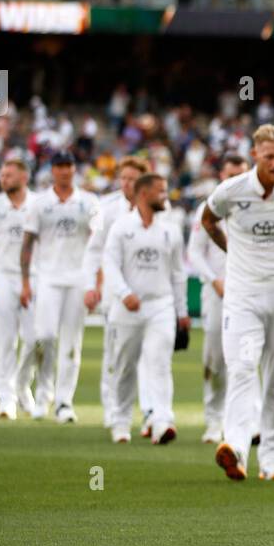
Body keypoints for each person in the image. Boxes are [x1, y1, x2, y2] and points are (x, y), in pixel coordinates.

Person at [202, 126, 274, 481]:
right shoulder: (232, 190)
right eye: (270, 156)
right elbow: (207, 220)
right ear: (255, 154)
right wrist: (233, 252)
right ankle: (237, 448)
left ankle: (272, 459)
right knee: (243, 366)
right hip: (243, 294)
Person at [100, 173, 188, 445]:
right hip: (127, 309)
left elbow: (178, 274)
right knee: (125, 366)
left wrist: (182, 311)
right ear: (143, 194)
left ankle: (162, 420)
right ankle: (121, 420)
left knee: (160, 363)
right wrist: (124, 294)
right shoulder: (121, 227)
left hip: (160, 306)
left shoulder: (170, 230)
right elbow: (110, 264)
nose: (165, 196)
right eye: (160, 192)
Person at [21, 152, 101, 422]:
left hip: (78, 280)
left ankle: (64, 402)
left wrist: (95, 284)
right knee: (45, 337)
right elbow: (27, 244)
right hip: (48, 278)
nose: (64, 171)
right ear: (52, 170)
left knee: (71, 343)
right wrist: (24, 281)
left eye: (68, 166)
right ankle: (43, 395)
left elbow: (97, 245)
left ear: (74, 169)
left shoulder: (88, 202)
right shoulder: (40, 203)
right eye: (59, 167)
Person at [82, 157, 158, 434]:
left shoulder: (159, 207)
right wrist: (90, 285)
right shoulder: (106, 208)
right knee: (116, 354)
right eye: (122, 178)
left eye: (131, 178)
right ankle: (113, 410)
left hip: (149, 293)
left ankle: (150, 413)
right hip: (114, 294)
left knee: (151, 355)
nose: (126, 183)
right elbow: (94, 250)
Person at [185, 153, 249, 444]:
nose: (235, 180)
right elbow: (194, 252)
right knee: (214, 355)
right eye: (230, 174)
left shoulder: (254, 207)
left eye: (241, 174)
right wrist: (214, 280)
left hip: (249, 292)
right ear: (221, 175)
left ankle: (246, 423)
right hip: (217, 292)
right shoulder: (208, 209)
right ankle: (213, 420)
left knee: (246, 358)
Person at [0, 158, 39, 420]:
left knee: (36, 340)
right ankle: (6, 399)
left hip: (34, 276)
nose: (3, 179)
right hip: (2, 276)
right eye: (2, 175)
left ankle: (23, 385)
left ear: (24, 177)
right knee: (6, 340)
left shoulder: (38, 205)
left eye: (9, 175)